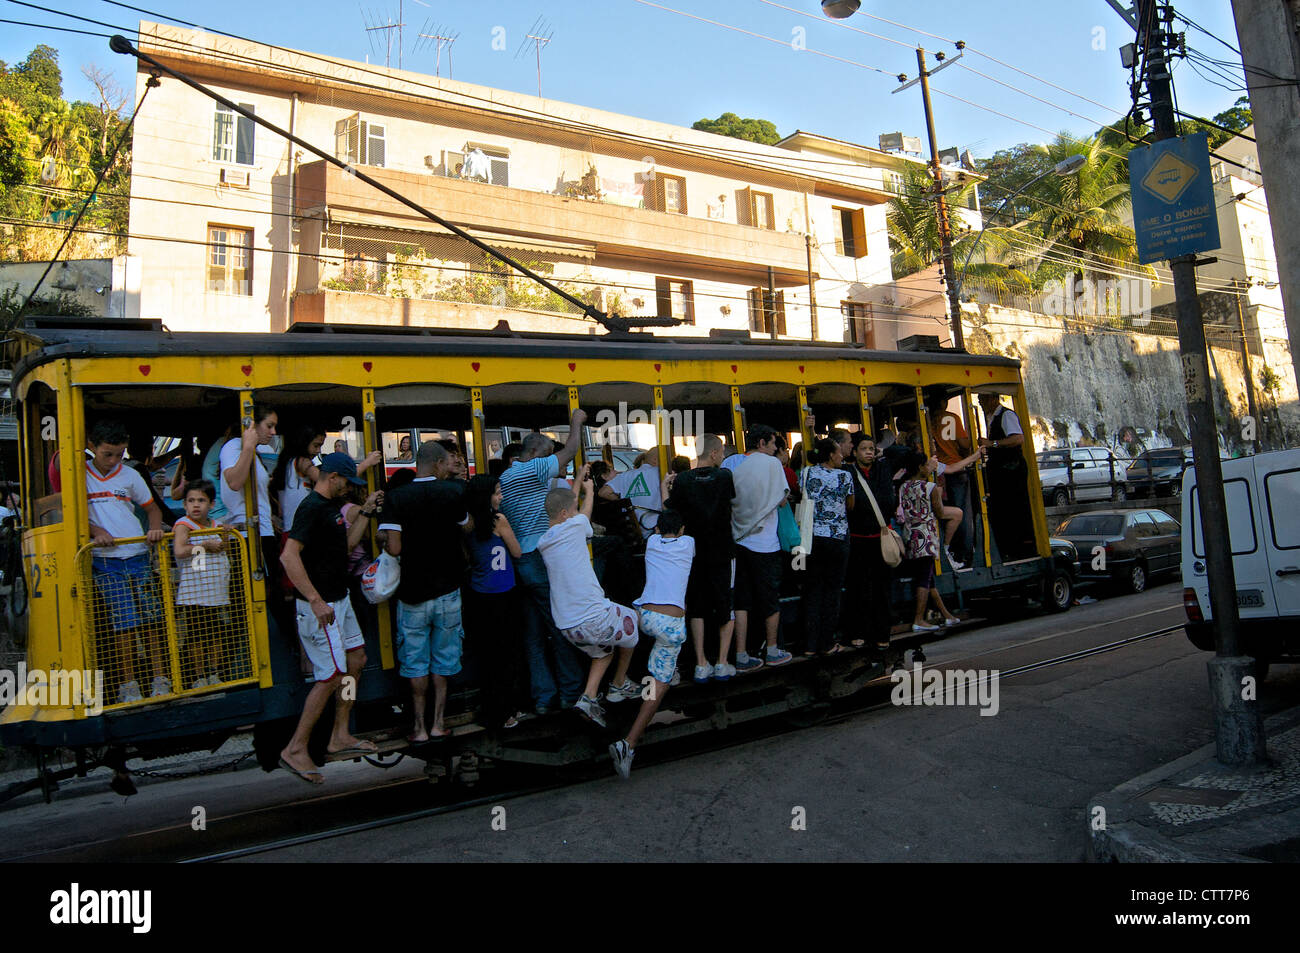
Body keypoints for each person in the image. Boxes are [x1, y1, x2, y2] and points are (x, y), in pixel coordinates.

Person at [278, 453, 383, 784]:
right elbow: (288, 556)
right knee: (330, 674)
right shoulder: (311, 508)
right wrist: (314, 599)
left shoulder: (329, 510)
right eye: (347, 483)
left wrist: (364, 513)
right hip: (321, 606)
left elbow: (345, 547)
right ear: (333, 476)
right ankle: (295, 748)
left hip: (340, 600)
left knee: (356, 660)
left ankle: (340, 733)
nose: (348, 490)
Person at [498, 413, 588, 714]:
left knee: (534, 636)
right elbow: (571, 450)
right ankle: (571, 693)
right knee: (561, 625)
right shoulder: (531, 469)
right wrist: (576, 422)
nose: (558, 467)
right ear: (535, 454)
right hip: (538, 559)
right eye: (551, 458)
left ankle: (543, 697)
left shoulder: (506, 478)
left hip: (519, 562)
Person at [537, 466, 640, 729]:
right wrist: (589, 491)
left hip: (567, 626)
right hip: (592, 616)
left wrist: (575, 487)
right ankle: (619, 684)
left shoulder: (546, 540)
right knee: (634, 620)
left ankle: (589, 697)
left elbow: (568, 509)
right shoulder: (575, 526)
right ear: (564, 514)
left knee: (603, 651)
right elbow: (583, 514)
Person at [380, 441, 470, 742]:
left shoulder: (397, 496)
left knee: (415, 663)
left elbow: (394, 547)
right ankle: (438, 723)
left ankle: (418, 729)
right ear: (436, 463)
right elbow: (468, 526)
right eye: (446, 463)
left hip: (412, 593)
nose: (448, 467)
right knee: (443, 663)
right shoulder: (453, 492)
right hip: (447, 591)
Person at [608, 509, 694, 779]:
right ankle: (629, 743)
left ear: (657, 531)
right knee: (660, 681)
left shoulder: (653, 543)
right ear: (682, 531)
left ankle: (618, 682)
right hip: (670, 623)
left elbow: (664, 526)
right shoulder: (688, 543)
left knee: (630, 627)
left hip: (644, 615)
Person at [86, 420, 168, 703]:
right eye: (107, 454)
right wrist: (95, 531)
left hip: (137, 554)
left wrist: (153, 530)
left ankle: (160, 678)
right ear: (91, 447)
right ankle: (128, 683)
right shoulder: (79, 475)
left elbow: (152, 508)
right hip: (105, 561)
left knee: (151, 618)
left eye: (119, 454)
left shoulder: (130, 475)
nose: (113, 460)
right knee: (124, 622)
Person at [665, 433, 736, 682]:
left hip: (693, 552)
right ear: (715, 453)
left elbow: (671, 509)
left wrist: (667, 487)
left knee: (697, 605)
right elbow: (731, 503)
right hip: (722, 549)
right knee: (724, 604)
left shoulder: (683, 479)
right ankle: (723, 661)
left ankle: (701, 662)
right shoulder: (725, 476)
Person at [725, 424, 794, 671]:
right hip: (766, 544)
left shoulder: (737, 468)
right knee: (770, 599)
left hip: (740, 541)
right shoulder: (772, 464)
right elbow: (782, 499)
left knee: (741, 601)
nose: (776, 449)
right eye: (774, 444)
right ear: (763, 443)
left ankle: (742, 654)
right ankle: (773, 650)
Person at [464, 473, 527, 729]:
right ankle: (505, 712)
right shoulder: (499, 520)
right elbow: (517, 551)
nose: (501, 496)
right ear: (486, 496)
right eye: (497, 492)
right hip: (504, 592)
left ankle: (491, 710)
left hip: (479, 593)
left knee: (487, 657)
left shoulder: (467, 523)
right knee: (506, 655)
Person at [172, 479, 231, 689]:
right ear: (185, 504)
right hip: (195, 590)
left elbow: (225, 548)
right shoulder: (183, 525)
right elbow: (180, 550)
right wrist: (204, 545)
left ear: (212, 504)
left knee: (215, 631)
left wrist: (225, 536)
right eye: (191, 501)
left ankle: (213, 671)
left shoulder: (216, 525)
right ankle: (198, 675)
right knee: (197, 633)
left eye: (201, 500)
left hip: (214, 589)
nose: (196, 505)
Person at [799, 436, 855, 656]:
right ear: (832, 455)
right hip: (837, 538)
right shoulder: (844, 476)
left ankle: (809, 645)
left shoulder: (807, 472)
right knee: (832, 592)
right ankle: (827, 642)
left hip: (811, 539)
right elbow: (850, 505)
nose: (842, 456)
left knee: (812, 591)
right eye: (839, 453)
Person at [843, 433, 897, 653]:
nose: (868, 452)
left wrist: (884, 453)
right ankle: (859, 632)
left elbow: (902, 454)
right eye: (864, 448)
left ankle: (882, 633)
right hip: (858, 541)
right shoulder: (848, 472)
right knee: (859, 589)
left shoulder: (882, 469)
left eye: (872, 449)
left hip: (880, 538)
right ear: (854, 452)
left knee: (882, 589)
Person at [897, 452, 962, 632]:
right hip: (926, 536)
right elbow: (940, 513)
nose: (929, 467)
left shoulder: (903, 487)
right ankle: (918, 619)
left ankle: (947, 615)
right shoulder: (930, 487)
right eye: (927, 465)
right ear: (920, 467)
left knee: (928, 578)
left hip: (910, 536)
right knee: (924, 579)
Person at [218, 405, 279, 578]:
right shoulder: (234, 446)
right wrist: (248, 447)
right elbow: (235, 481)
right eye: (269, 426)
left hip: (263, 531)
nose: (273, 432)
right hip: (248, 534)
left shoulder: (254, 453)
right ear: (253, 425)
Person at [977, 393, 1035, 561]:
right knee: (1004, 509)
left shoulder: (1006, 415)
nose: (981, 403)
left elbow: (1018, 438)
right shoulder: (992, 417)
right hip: (1002, 468)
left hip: (1011, 469)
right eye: (980, 400)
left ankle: (1020, 547)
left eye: (983, 400)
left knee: (1014, 508)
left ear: (994, 399)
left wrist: (993, 444)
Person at [928, 388, 975, 564]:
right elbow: (964, 443)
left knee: (943, 513)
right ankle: (964, 553)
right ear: (942, 402)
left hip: (938, 473)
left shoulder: (927, 420)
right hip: (956, 470)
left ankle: (947, 550)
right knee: (962, 512)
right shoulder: (951, 418)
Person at [601, 449, 664, 536]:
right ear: (656, 459)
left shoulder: (625, 475)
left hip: (631, 531)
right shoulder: (660, 473)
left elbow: (603, 492)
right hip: (653, 529)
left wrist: (624, 500)